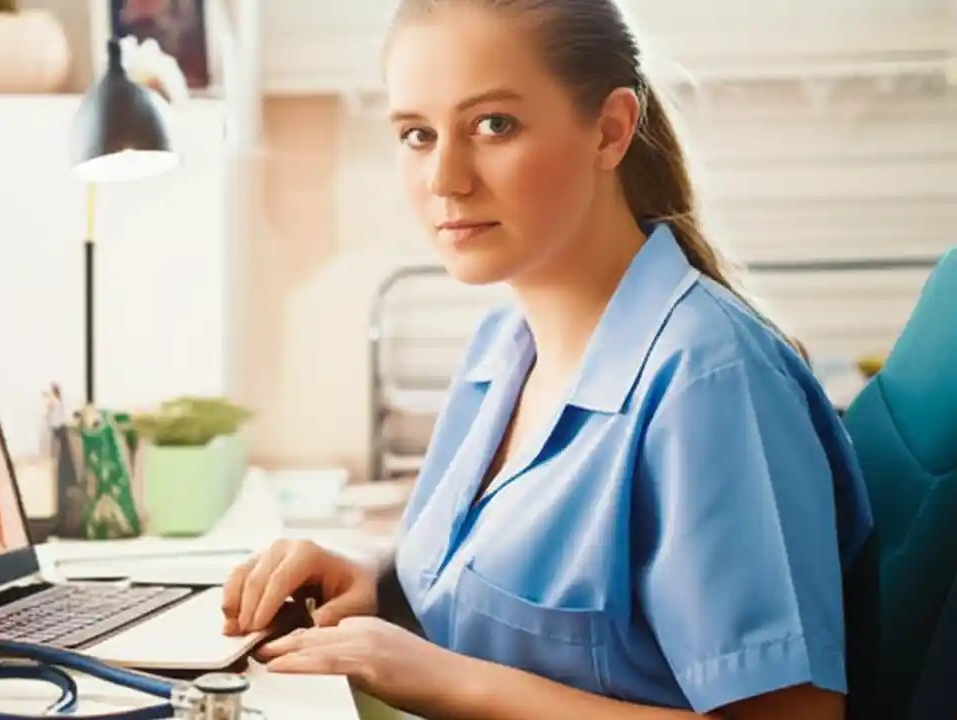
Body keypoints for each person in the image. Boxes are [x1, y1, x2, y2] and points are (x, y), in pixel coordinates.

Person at [221, 0, 874, 718]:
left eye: (493, 125)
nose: (444, 178)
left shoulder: (710, 383)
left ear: (610, 129)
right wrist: (377, 581)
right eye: (416, 134)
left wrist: (447, 680)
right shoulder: (502, 350)